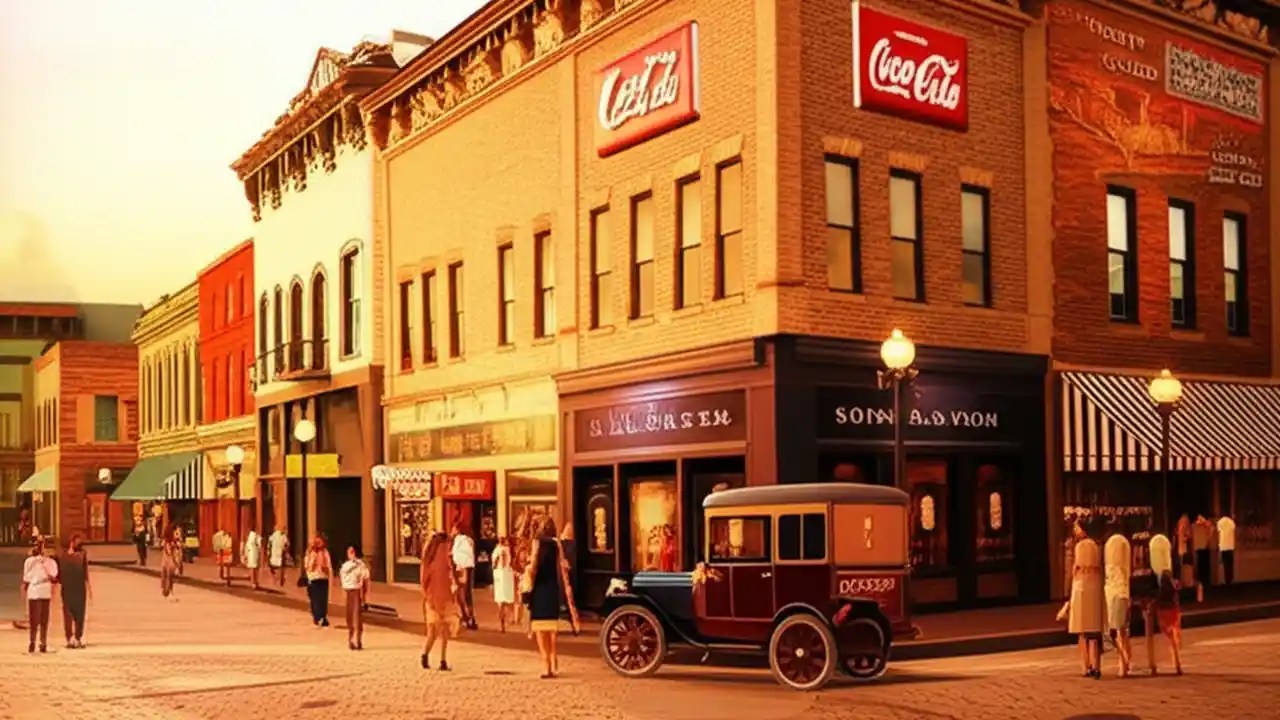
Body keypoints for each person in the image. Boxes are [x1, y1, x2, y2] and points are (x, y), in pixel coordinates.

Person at [528, 517, 577, 679]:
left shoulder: (537, 543)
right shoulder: (557, 544)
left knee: (541, 631)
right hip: (552, 588)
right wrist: (567, 589)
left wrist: (528, 572)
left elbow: (534, 565)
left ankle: (545, 665)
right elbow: (562, 567)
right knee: (552, 630)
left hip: (540, 588)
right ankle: (553, 661)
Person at [1057, 537, 1103, 678]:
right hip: (1094, 591)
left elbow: (1072, 574)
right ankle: (1097, 666)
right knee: (1095, 633)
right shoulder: (1096, 556)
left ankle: (1086, 666)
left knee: (1082, 632)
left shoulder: (1078, 558)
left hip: (1080, 591)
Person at [420, 531, 459, 671]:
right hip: (438, 599)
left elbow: (425, 582)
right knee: (439, 631)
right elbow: (426, 582)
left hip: (439, 599)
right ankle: (432, 656)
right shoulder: (435, 562)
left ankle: (434, 657)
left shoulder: (432, 562)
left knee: (439, 631)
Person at [21, 539, 58, 653]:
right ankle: (32, 642)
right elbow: (26, 577)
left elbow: (54, 577)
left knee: (43, 620)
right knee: (34, 620)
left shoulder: (51, 562)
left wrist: (44, 563)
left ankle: (43, 643)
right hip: (34, 590)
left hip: (44, 590)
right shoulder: (29, 561)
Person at [1103, 533, 1132, 677]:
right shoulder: (1122, 567)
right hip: (1123, 595)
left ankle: (1124, 661)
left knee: (1118, 632)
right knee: (1123, 631)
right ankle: (1124, 662)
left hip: (1116, 595)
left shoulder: (1113, 568)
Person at [58, 534, 92, 649]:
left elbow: (85, 571)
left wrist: (88, 586)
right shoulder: (63, 555)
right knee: (68, 614)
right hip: (67, 588)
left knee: (79, 614)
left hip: (79, 588)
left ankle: (78, 637)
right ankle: (70, 638)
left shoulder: (82, 555)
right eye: (77, 542)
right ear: (71, 542)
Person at [339, 544, 371, 651]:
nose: (350, 554)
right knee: (349, 617)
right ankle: (351, 640)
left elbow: (365, 580)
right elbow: (342, 581)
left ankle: (358, 640)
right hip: (349, 591)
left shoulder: (361, 565)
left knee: (357, 617)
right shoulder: (345, 566)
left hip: (357, 591)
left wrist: (365, 597)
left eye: (352, 551)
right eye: (349, 552)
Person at [1155, 568, 1184, 675]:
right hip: (1173, 612)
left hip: (1164, 613)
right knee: (1174, 639)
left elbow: (1157, 601)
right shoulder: (1174, 586)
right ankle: (1177, 662)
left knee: (1170, 637)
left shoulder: (1161, 590)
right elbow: (1179, 586)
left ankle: (1176, 661)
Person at [451, 523, 477, 630]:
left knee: (463, 594)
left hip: (462, 568)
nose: (451, 531)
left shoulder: (460, 540)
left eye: (453, 529)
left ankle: (469, 618)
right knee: (464, 594)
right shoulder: (468, 540)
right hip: (466, 567)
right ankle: (467, 617)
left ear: (457, 530)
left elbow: (459, 555)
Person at [304, 535, 333, 627]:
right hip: (313, 578)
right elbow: (308, 567)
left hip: (323, 578)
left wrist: (324, 567)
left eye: (320, 543)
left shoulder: (325, 553)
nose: (318, 545)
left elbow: (329, 567)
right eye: (316, 543)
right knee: (315, 599)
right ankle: (316, 616)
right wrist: (314, 559)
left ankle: (323, 617)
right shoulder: (310, 553)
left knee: (323, 599)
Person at [491, 536, 515, 632]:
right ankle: (509, 619)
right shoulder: (506, 550)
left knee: (501, 602)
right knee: (507, 601)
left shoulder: (498, 550)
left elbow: (495, 564)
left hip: (500, 576)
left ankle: (503, 623)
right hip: (506, 575)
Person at [1193, 514, 1213, 602]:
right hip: (1200, 549)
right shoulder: (1195, 526)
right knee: (1201, 572)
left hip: (1203, 549)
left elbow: (1211, 529)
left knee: (1204, 572)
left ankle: (1204, 589)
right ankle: (1201, 591)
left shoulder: (1205, 526)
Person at [160, 526, 182, 601]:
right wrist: (177, 563)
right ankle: (169, 593)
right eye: (176, 533)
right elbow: (172, 554)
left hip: (166, 561)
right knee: (170, 578)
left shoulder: (166, 542)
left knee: (168, 578)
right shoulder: (171, 543)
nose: (178, 534)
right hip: (170, 562)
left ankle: (169, 593)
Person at [1217, 513, 1236, 585]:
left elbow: (1218, 531)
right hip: (1230, 545)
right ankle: (1230, 578)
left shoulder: (1220, 522)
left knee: (1224, 563)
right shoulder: (1231, 522)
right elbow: (1234, 529)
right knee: (1230, 563)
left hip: (1223, 546)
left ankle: (1225, 580)